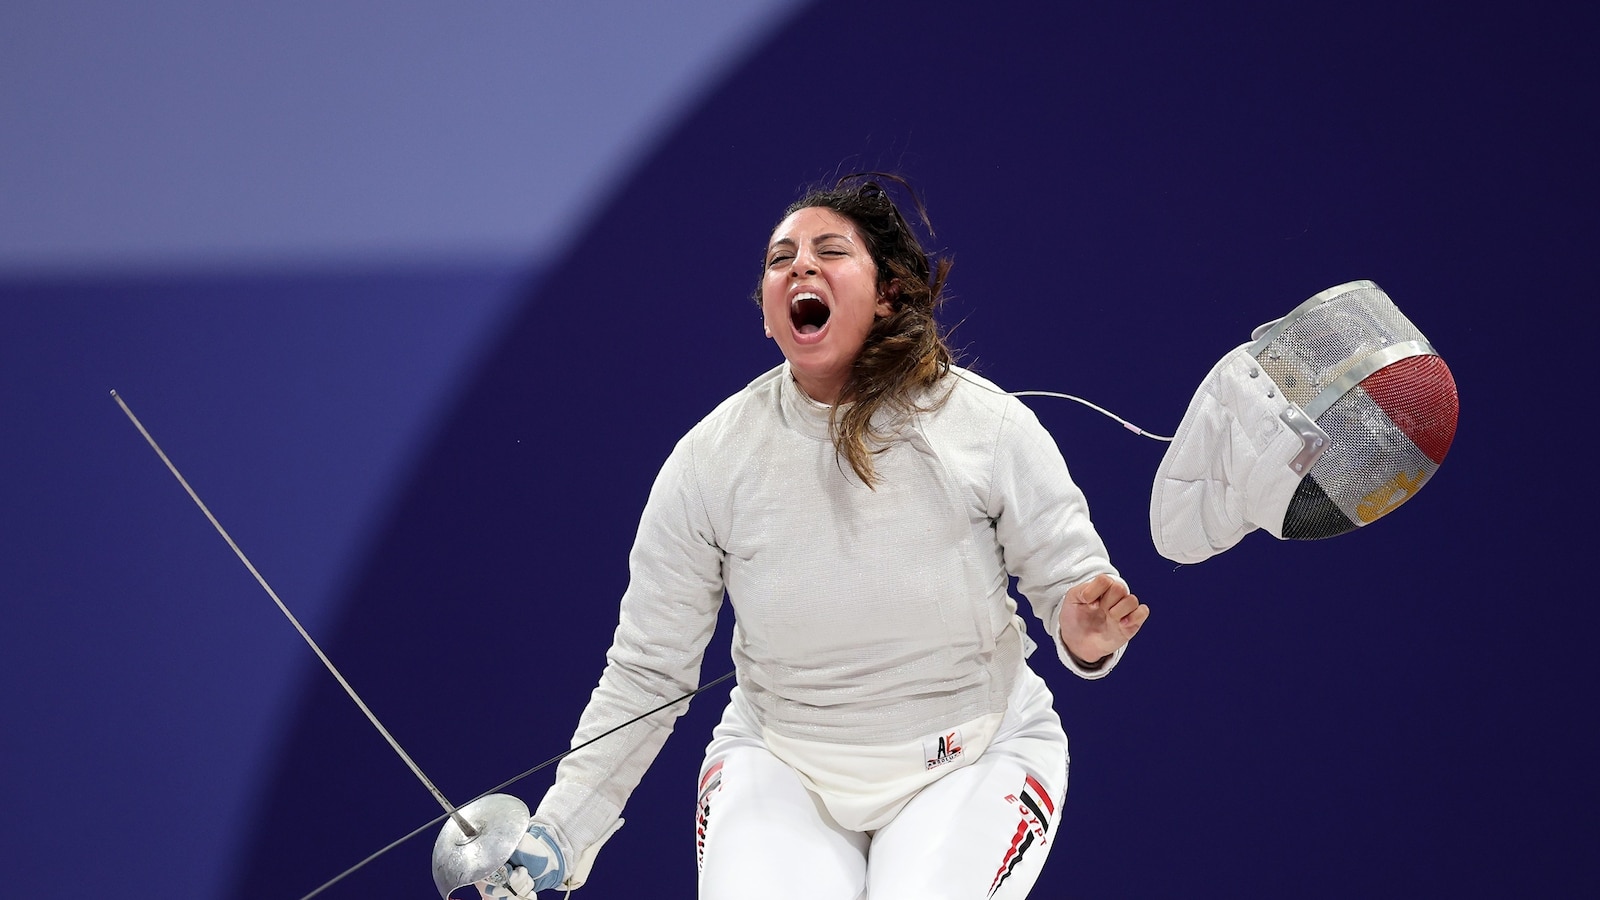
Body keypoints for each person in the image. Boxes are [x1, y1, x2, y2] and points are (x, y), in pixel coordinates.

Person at [475, 173, 1148, 899]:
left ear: (888, 293)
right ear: (769, 314)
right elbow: (649, 669)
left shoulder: (986, 427)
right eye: (780, 258)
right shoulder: (710, 460)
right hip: (782, 766)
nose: (799, 266)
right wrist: (564, 826)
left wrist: (1086, 632)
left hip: (974, 757)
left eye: (830, 251)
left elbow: (1073, 589)